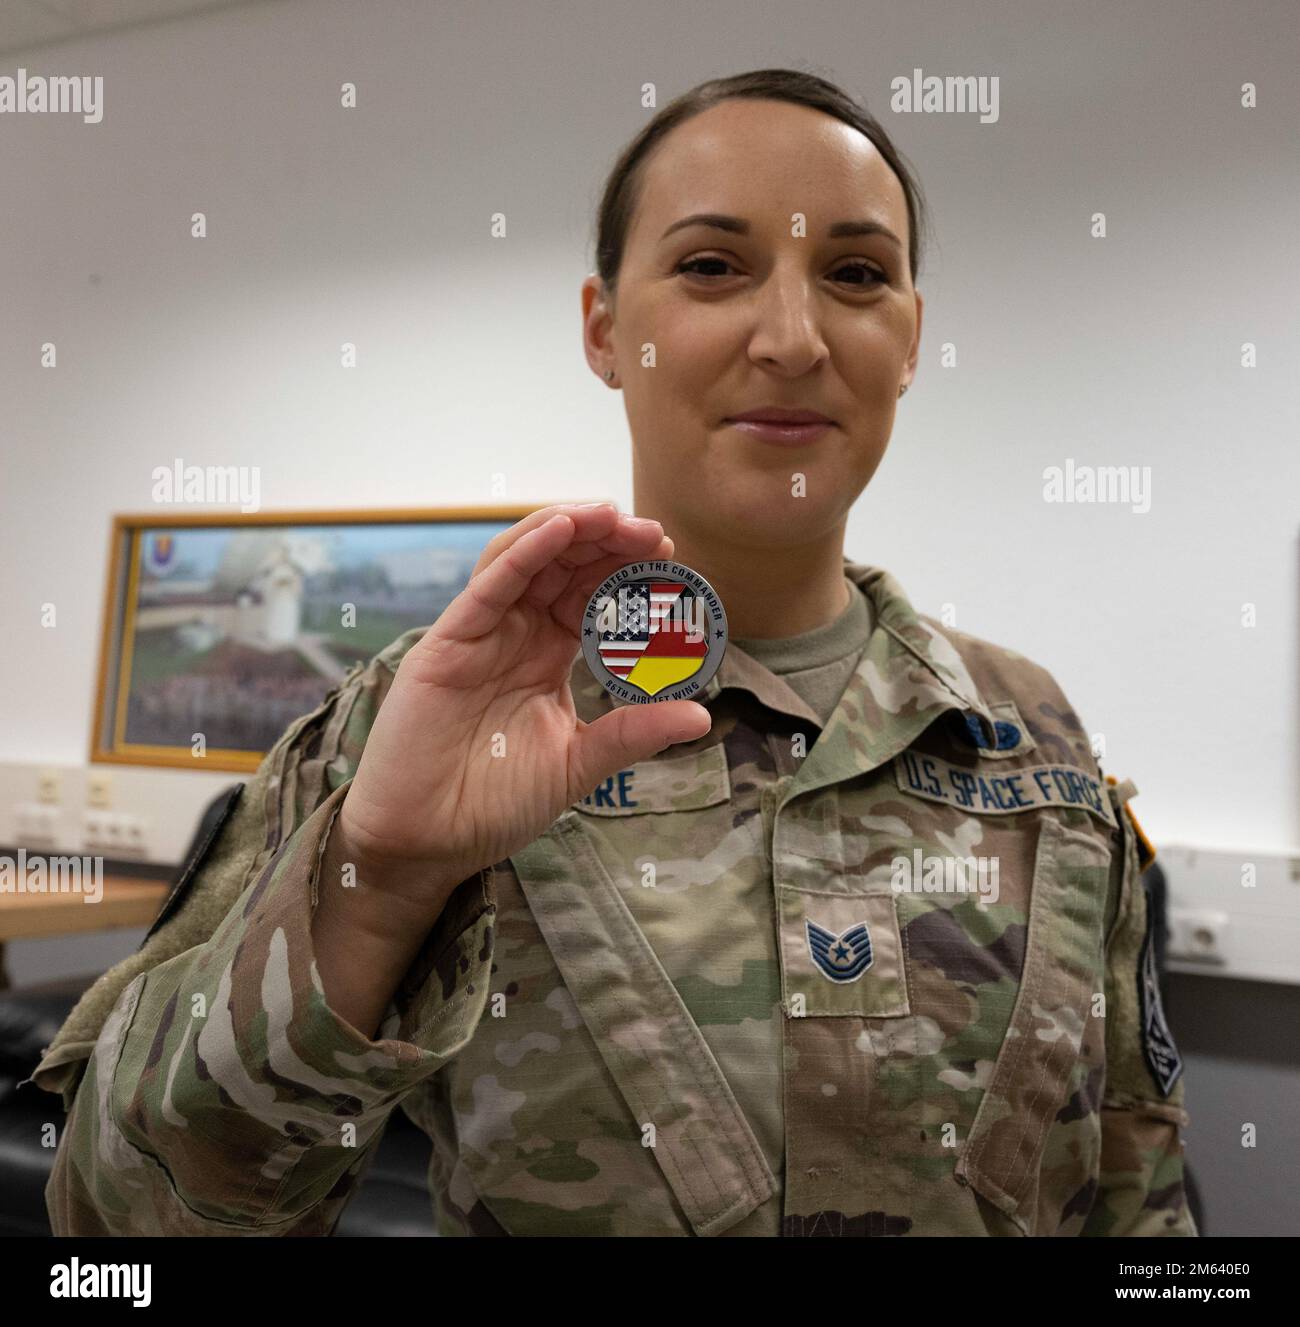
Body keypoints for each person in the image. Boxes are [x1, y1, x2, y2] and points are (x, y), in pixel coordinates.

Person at [34, 67, 1194, 1237]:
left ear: (909, 338)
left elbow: (1140, 1200)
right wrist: (377, 887)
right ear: (605, 329)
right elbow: (113, 1226)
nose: (792, 339)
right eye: (710, 267)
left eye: (853, 274)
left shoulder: (1025, 730)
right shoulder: (428, 725)